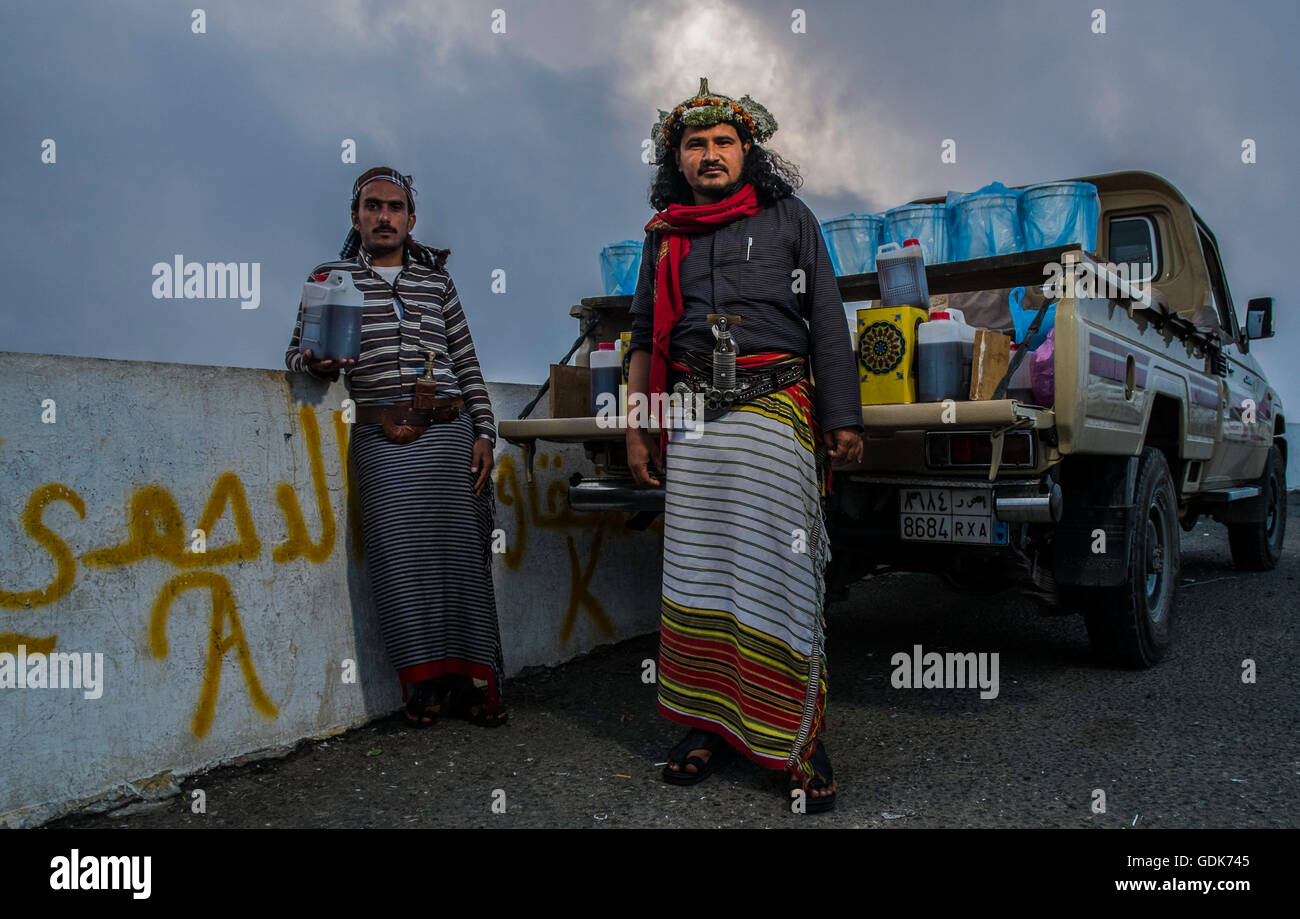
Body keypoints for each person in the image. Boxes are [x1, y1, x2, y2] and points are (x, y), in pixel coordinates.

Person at [625, 80, 863, 812]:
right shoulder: (664, 237)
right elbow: (644, 334)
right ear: (678, 160)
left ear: (748, 150)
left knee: (778, 574)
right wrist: (638, 424)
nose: (710, 155)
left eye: (723, 142)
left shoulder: (790, 218)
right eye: (695, 145)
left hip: (776, 411)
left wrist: (843, 418)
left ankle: (794, 737)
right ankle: (704, 728)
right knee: (699, 575)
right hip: (693, 419)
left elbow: (827, 317)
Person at [285, 166, 507, 728]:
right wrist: (314, 362)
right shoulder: (329, 277)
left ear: (412, 218)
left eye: (394, 207)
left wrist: (485, 432)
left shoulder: (437, 283)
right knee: (399, 562)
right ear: (355, 216)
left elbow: (467, 360)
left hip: (451, 433)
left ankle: (476, 681)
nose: (383, 216)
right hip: (381, 438)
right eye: (372, 206)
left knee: (464, 560)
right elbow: (295, 355)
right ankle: (425, 688)